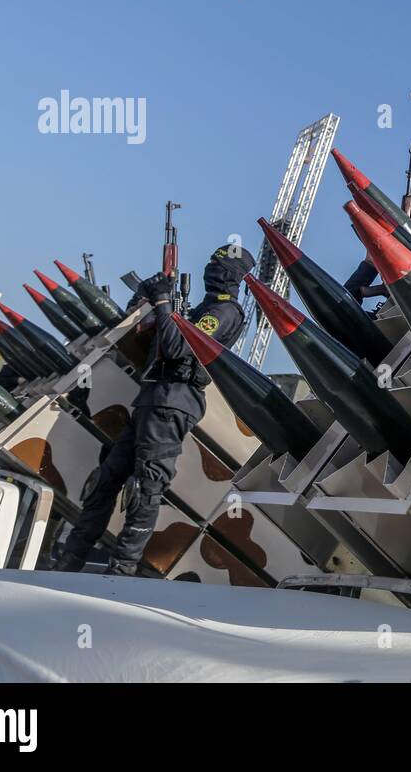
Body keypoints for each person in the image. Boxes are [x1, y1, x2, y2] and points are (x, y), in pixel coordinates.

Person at [52, 244, 255, 575]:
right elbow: (158, 341)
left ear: (232, 275)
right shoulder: (203, 308)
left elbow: (177, 349)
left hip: (173, 402)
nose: (210, 271)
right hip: (152, 397)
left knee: (146, 485)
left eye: (218, 266)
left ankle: (122, 570)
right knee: (106, 479)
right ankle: (71, 559)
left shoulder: (224, 312)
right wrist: (148, 301)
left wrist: (163, 304)